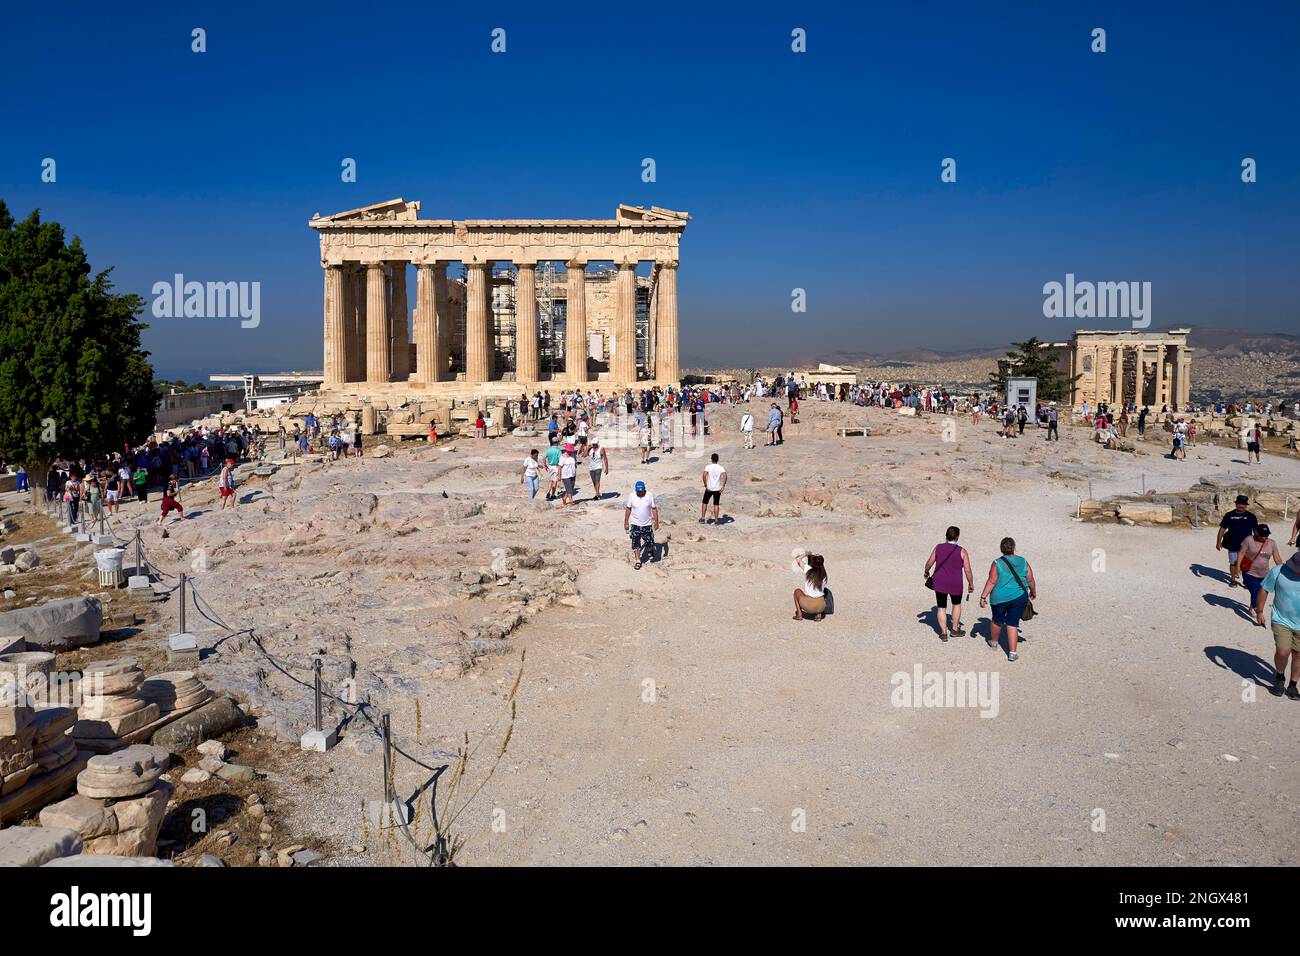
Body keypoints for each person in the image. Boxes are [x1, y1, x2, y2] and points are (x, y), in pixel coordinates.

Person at [979, 537, 1036, 661]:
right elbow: (1030, 579)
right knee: (1012, 623)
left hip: (1000, 598)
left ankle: (994, 642)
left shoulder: (997, 563)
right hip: (1019, 596)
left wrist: (983, 596)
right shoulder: (1023, 561)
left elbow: (991, 581)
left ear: (1001, 549)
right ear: (1014, 548)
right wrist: (1033, 591)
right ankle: (1012, 653)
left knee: (996, 620)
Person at [1258, 550, 1300, 699]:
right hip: (1281, 619)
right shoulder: (1279, 570)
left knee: (1298, 654)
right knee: (1283, 651)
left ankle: (1293, 686)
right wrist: (1260, 611)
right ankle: (1280, 677)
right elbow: (1264, 589)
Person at [923, 526, 974, 641]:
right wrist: (971, 583)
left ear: (946, 535)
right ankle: (955, 630)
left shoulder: (939, 547)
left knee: (941, 607)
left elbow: (929, 562)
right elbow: (968, 570)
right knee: (956, 605)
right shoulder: (962, 551)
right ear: (957, 536)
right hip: (955, 583)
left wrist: (926, 571)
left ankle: (944, 633)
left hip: (940, 582)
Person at [1239, 524, 1282, 626]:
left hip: (1264, 574)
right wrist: (1237, 568)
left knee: (1259, 592)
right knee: (1255, 592)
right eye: (1262, 535)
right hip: (1249, 572)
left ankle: (1253, 605)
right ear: (1256, 533)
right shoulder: (1249, 540)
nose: (1264, 537)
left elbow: (1277, 558)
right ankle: (1257, 610)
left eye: (1266, 535)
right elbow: (1241, 553)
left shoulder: (1272, 543)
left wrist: (1283, 571)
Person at [1216, 495, 1258, 588]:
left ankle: (1246, 580)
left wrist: (1258, 542)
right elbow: (1222, 529)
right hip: (1232, 544)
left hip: (1247, 545)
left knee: (1246, 563)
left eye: (1243, 504)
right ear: (1236, 504)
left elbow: (1255, 530)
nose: (1241, 506)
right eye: (1239, 503)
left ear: (1246, 505)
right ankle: (1233, 579)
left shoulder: (1251, 516)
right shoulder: (1229, 515)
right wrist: (1218, 541)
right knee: (1233, 563)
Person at [624, 480, 659, 570]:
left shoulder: (649, 495)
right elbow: (628, 509)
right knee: (636, 543)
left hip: (647, 524)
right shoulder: (632, 496)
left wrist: (656, 522)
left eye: (641, 491)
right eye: (638, 491)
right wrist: (626, 522)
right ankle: (638, 561)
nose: (640, 493)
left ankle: (650, 549)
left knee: (650, 542)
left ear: (644, 489)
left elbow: (654, 509)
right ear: (636, 490)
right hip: (635, 524)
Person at [792, 551, 827, 621]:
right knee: (824, 591)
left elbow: (798, 559)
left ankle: (799, 614)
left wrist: (806, 554)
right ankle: (817, 614)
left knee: (797, 591)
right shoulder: (824, 574)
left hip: (809, 606)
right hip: (821, 606)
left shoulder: (808, 570)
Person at [700, 453, 728, 525]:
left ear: (711, 459)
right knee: (716, 504)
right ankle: (716, 520)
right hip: (717, 489)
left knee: (705, 502)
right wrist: (723, 486)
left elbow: (704, 475)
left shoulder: (708, 467)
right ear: (718, 459)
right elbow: (725, 476)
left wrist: (705, 484)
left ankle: (703, 518)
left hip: (709, 488)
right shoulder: (720, 467)